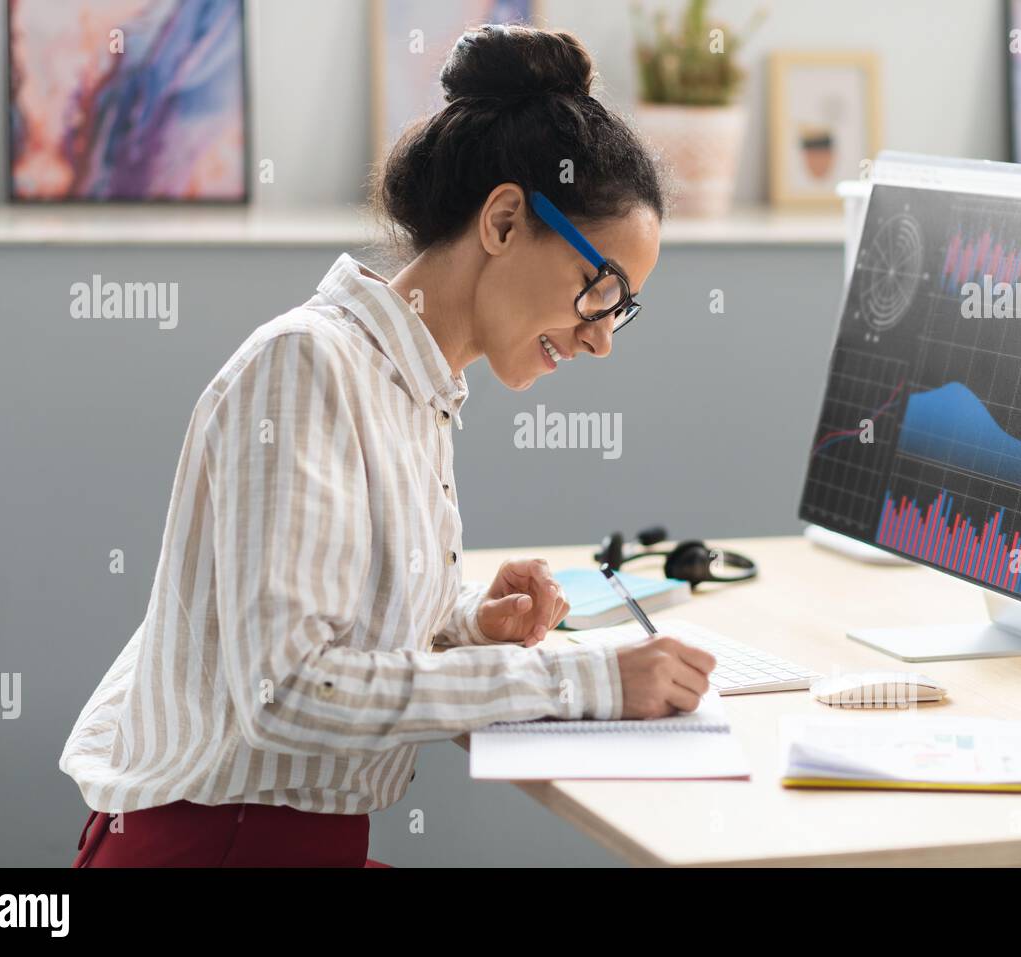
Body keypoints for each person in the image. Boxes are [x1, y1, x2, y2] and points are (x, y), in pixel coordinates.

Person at [63, 23, 715, 868]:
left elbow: (339, 628)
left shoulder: (414, 384)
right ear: (506, 221)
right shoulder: (307, 367)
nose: (602, 340)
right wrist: (590, 682)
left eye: (621, 309)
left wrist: (467, 622)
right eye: (601, 290)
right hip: (216, 847)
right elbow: (288, 688)